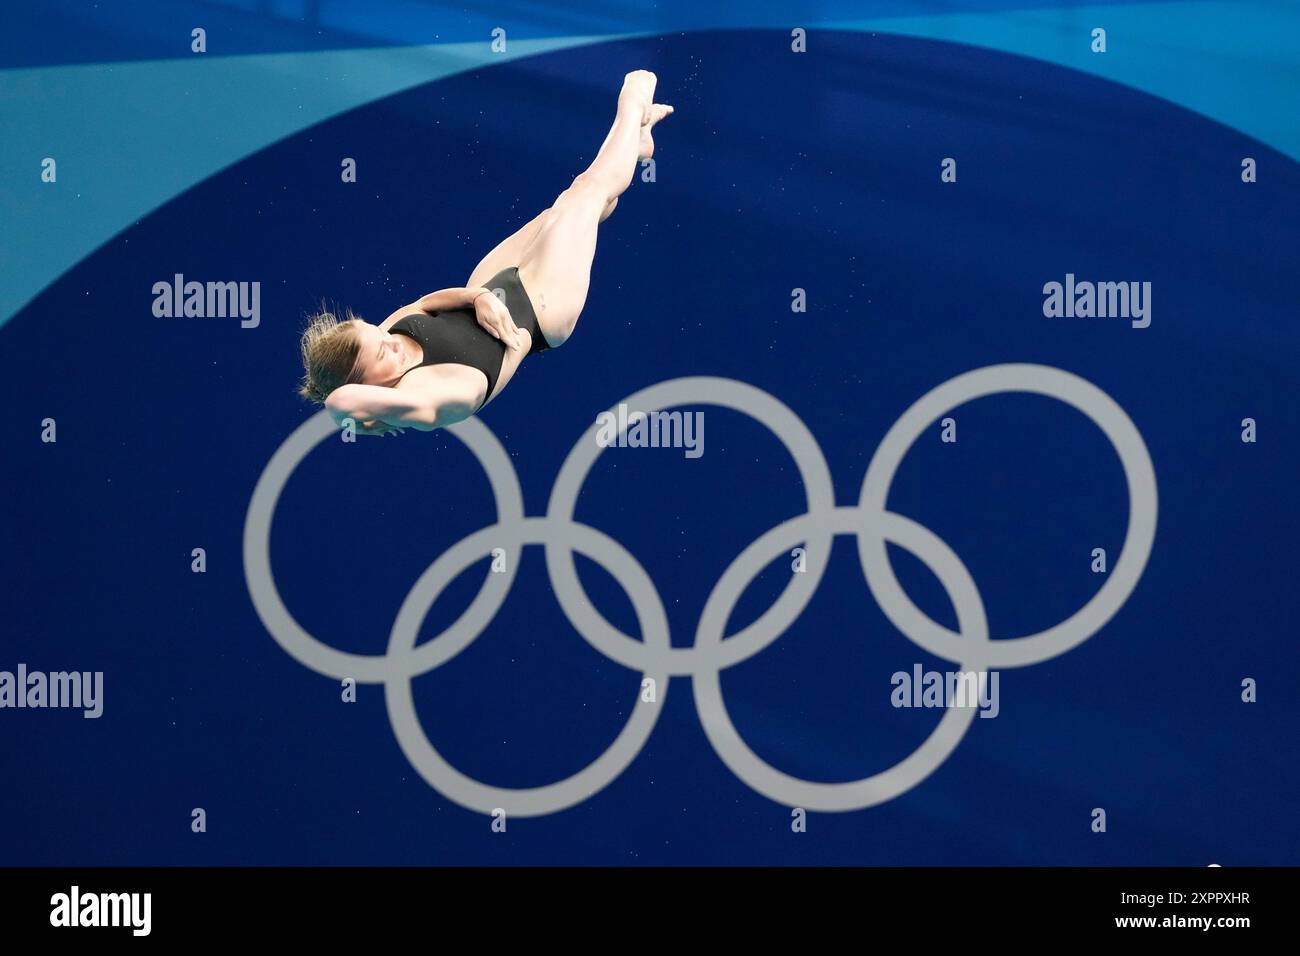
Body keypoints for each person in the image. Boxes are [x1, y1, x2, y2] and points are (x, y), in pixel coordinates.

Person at [296, 70, 672, 436]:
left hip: (488, 286)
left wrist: (476, 297)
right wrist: (359, 415)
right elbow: (338, 402)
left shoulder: (386, 337)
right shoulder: (423, 399)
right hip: (543, 311)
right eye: (381, 354)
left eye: (377, 334)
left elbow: (426, 304)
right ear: (366, 386)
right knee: (587, 192)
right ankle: (633, 100)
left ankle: (635, 143)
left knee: (569, 207)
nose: (389, 339)